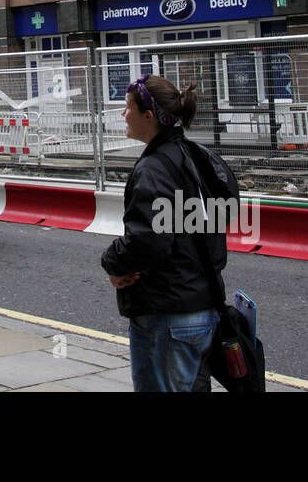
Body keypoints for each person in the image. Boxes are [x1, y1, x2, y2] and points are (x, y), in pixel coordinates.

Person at [101, 74, 239, 392]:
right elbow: (224, 212)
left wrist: (113, 263)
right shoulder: (202, 157)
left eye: (127, 107)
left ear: (148, 116)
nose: (123, 114)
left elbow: (148, 241)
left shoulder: (153, 169)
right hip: (205, 308)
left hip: (167, 317)